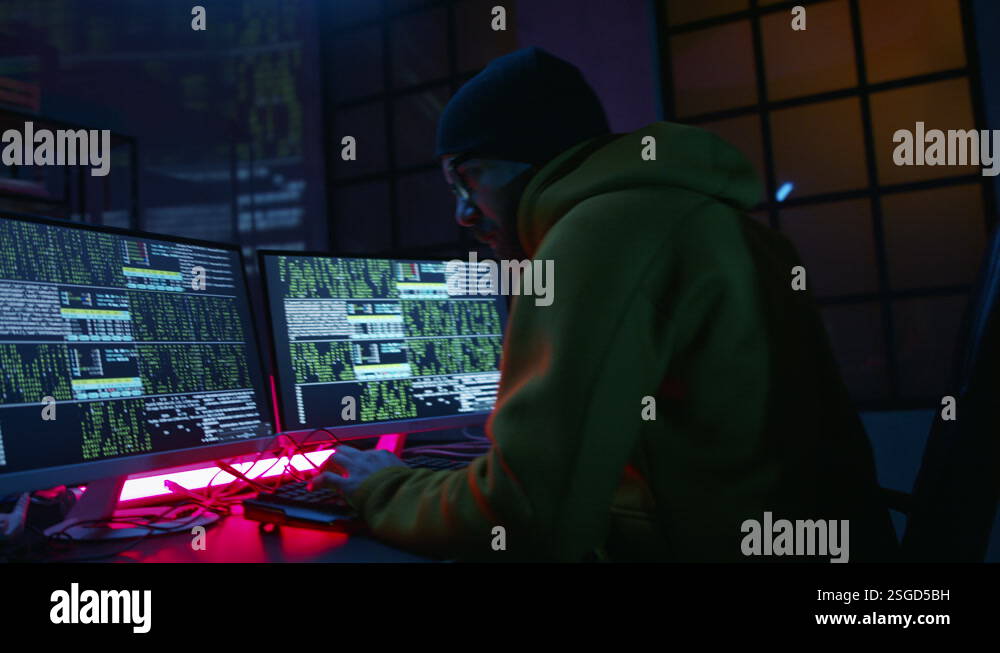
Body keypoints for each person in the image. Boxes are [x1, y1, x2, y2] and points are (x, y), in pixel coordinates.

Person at [312, 47, 899, 562]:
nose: (463, 213)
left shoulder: (599, 234)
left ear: (529, 161)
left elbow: (524, 520)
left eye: (468, 178)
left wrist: (382, 486)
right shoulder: (712, 219)